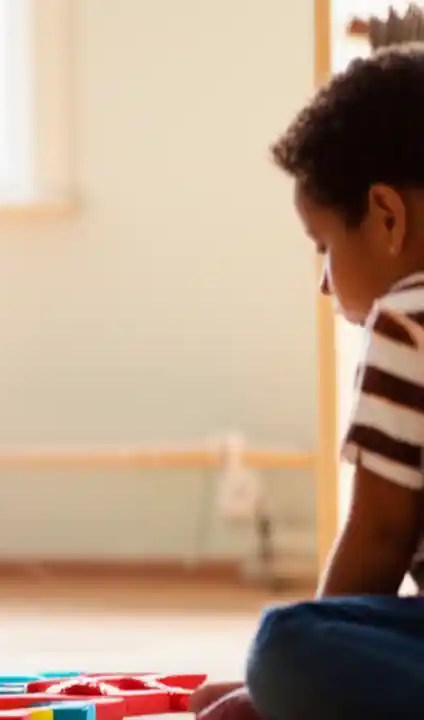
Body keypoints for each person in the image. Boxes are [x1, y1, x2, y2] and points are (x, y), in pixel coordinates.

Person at [191, 44, 424, 720]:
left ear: (386, 217)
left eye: (322, 245)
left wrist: (269, 694)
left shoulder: (406, 321)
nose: (323, 280)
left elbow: (380, 535)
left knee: (288, 642)